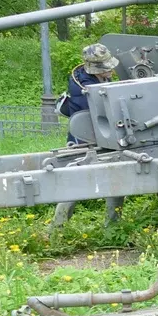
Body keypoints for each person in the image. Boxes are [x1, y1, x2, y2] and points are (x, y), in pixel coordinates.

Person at [52, 43, 120, 226]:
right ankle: (57, 227)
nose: (111, 72)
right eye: (107, 69)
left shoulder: (97, 79)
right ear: (95, 69)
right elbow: (104, 110)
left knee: (118, 179)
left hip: (103, 137)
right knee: (75, 184)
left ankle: (112, 226)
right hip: (84, 141)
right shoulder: (84, 87)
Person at [63, 43, 118, 145]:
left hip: (100, 131)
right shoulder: (83, 85)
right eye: (106, 67)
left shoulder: (102, 76)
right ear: (95, 68)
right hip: (84, 137)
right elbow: (99, 110)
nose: (111, 69)